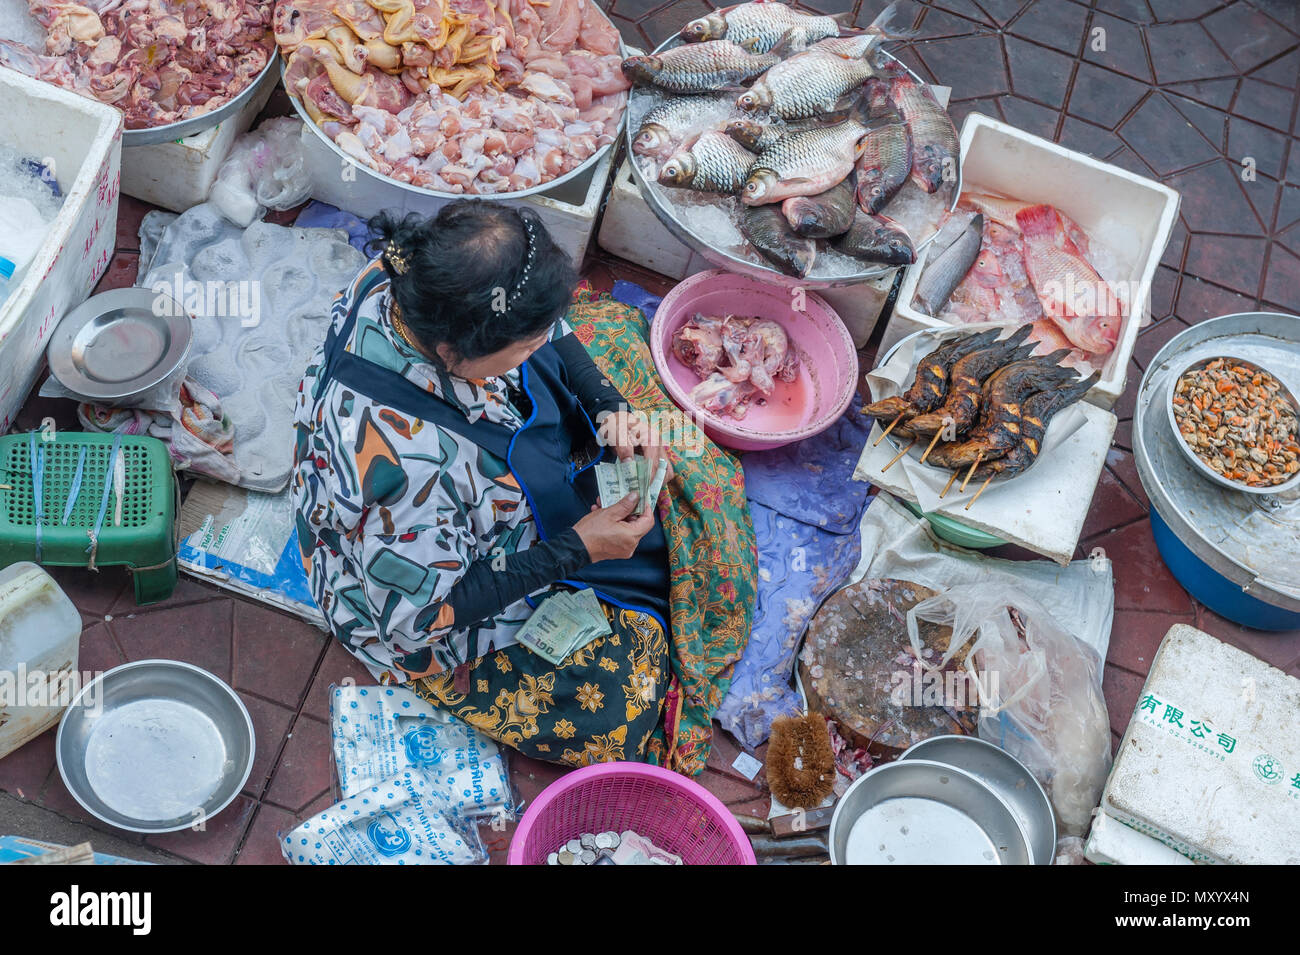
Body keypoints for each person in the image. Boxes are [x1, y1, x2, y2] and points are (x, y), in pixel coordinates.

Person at [291, 201, 680, 765]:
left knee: (570, 357)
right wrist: (576, 550)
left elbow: (552, 331)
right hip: (409, 599)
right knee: (616, 706)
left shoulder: (400, 278)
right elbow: (413, 624)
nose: (539, 341)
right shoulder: (412, 468)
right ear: (452, 353)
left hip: (440, 474)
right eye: (523, 343)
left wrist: (606, 403)